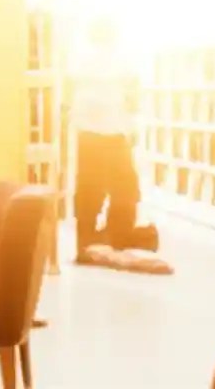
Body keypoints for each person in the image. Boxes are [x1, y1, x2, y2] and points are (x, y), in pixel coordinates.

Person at [67, 18, 169, 273]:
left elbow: (69, 95)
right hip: (112, 132)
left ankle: (88, 242)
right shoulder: (122, 61)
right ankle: (116, 238)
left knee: (90, 190)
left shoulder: (79, 60)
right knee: (125, 190)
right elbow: (133, 98)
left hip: (86, 132)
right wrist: (131, 126)